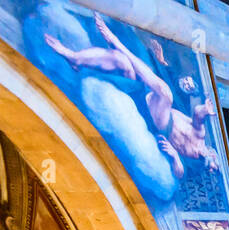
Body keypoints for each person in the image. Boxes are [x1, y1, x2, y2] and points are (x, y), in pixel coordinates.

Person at [45, 15, 219, 177]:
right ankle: (74, 58)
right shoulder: (200, 136)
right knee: (121, 61)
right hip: (149, 98)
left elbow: (180, 173)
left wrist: (174, 156)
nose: (211, 168)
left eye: (212, 169)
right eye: (214, 165)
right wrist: (207, 110)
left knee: (166, 94)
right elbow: (197, 114)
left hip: (157, 120)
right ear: (212, 153)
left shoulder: (195, 164)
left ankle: (115, 41)